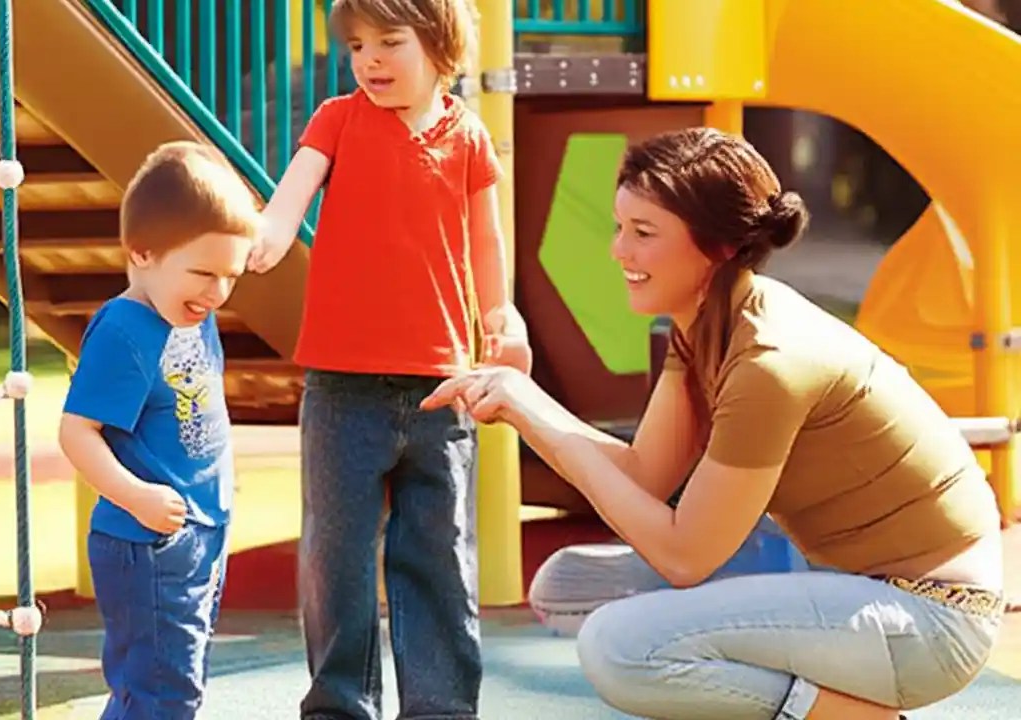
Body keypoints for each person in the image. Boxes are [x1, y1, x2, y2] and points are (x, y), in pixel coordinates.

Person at [421, 127, 1005, 720]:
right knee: (569, 593)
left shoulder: (769, 364)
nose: (619, 251)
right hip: (853, 586)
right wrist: (524, 400)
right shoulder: (708, 323)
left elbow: (684, 556)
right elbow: (644, 476)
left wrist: (526, 409)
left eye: (644, 234)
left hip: (932, 618)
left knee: (621, 647)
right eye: (621, 227)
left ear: (719, 248)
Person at [246, 0, 531, 717]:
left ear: (439, 47)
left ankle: (441, 706)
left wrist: (499, 310)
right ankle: (340, 704)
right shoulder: (339, 119)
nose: (368, 59)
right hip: (342, 387)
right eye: (358, 46)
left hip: (441, 385)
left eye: (388, 43)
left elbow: (485, 240)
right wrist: (272, 231)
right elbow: (297, 187)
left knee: (438, 559)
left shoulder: (467, 135)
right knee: (334, 561)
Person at [57, 140, 259, 719]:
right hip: (149, 543)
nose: (217, 292)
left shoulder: (193, 310)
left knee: (171, 682)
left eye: (230, 276)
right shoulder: (125, 331)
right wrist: (137, 497)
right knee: (161, 691)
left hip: (199, 531)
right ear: (141, 253)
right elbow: (77, 432)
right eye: (203, 273)